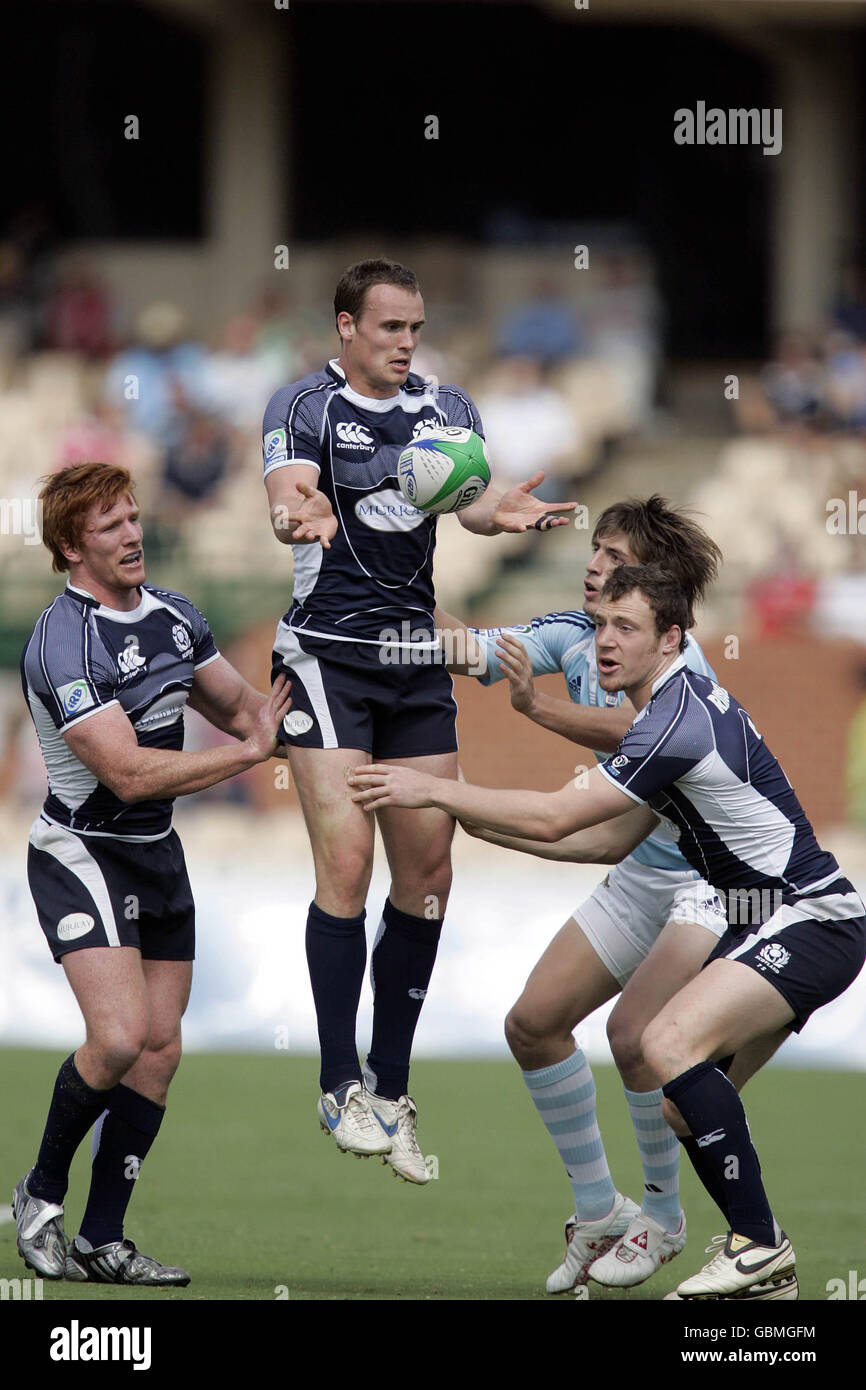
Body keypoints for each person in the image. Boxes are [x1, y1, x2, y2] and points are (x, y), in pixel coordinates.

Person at [349, 565, 866, 1300]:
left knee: (659, 1043)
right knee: (679, 1098)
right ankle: (766, 1281)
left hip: (809, 916)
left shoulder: (673, 720)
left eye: (627, 629)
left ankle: (757, 1244)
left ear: (672, 639)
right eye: (601, 626)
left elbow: (561, 815)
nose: (605, 643)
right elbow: (596, 843)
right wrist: (471, 820)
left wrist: (429, 787)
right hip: (774, 918)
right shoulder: (670, 715)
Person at [262, 257, 576, 1184]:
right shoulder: (303, 406)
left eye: (416, 329)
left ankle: (391, 1089)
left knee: (431, 871)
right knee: (347, 862)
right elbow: (287, 495)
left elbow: (465, 500)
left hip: (415, 658)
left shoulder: (451, 408)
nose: (406, 344)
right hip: (326, 654)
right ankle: (336, 1085)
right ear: (346, 328)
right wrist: (295, 516)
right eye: (390, 328)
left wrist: (498, 510)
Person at [432, 496, 725, 1292]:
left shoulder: (683, 671)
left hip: (709, 883)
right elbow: (467, 650)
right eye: (595, 548)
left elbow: (636, 741)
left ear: (656, 592)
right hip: (641, 871)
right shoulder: (574, 633)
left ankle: (665, 1219)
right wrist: (388, 562)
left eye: (615, 555)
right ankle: (599, 1209)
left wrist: (534, 714)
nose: (596, 564)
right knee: (533, 1024)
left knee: (635, 1040)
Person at [15, 461, 291, 1285]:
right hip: (82, 850)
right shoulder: (64, 640)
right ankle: (40, 1192)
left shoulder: (175, 617)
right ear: (71, 545)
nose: (133, 534)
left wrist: (308, 721)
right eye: (109, 526)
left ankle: (104, 1237)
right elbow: (127, 775)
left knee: (160, 1051)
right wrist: (244, 758)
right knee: (119, 1037)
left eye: (134, 518)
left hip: (157, 852)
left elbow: (247, 709)